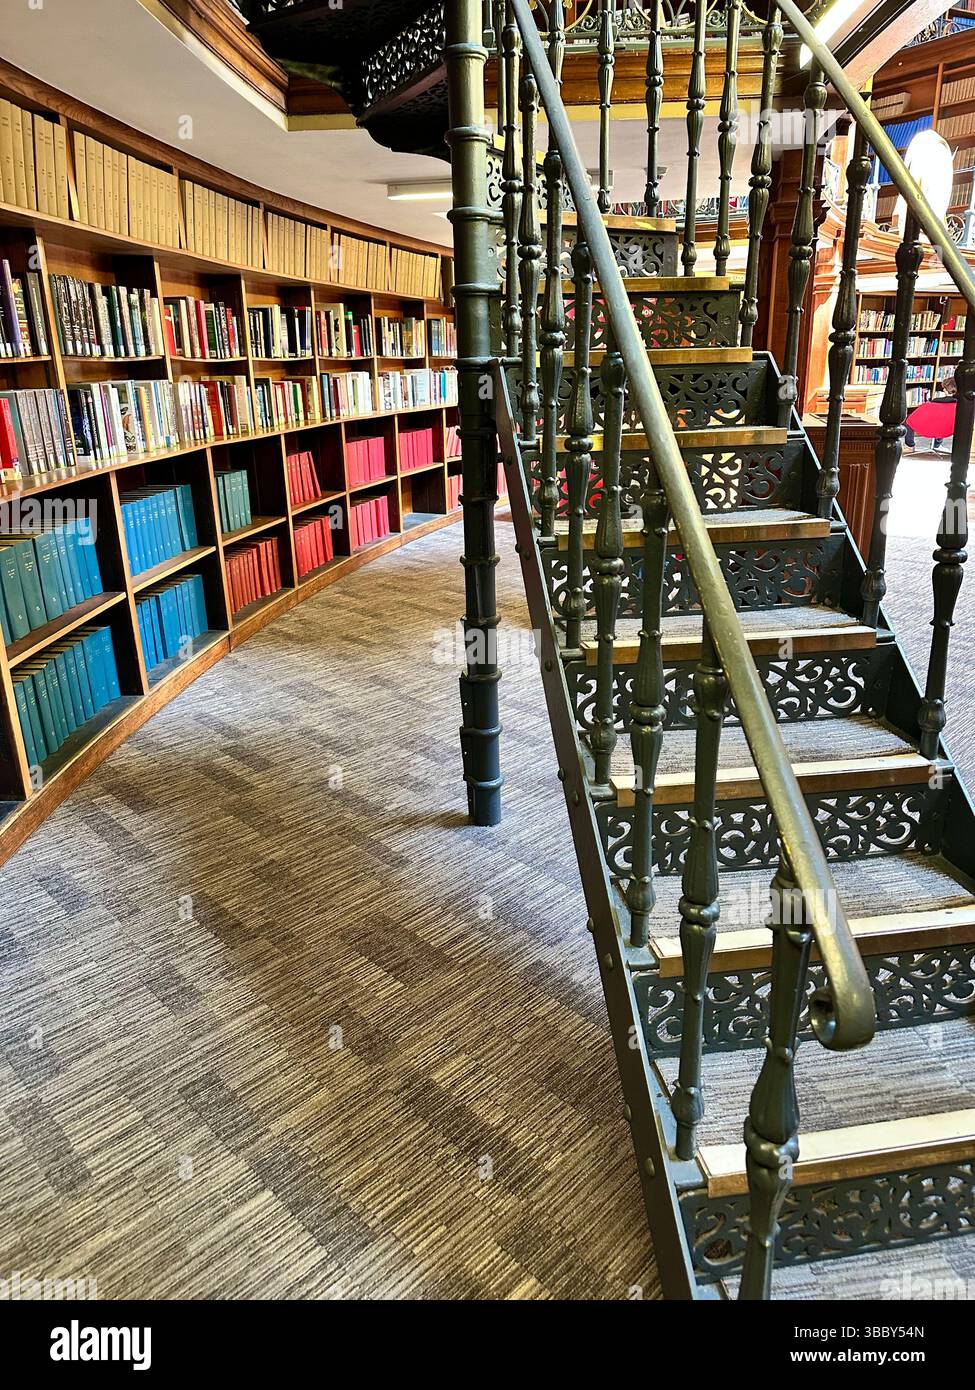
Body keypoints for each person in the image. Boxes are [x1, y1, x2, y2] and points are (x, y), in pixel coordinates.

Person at [904, 375, 956, 453]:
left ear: (945, 390)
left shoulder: (931, 404)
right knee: (942, 421)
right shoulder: (960, 405)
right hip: (948, 429)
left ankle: (910, 445)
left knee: (908, 419)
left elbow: (912, 419)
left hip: (930, 428)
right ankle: (937, 445)